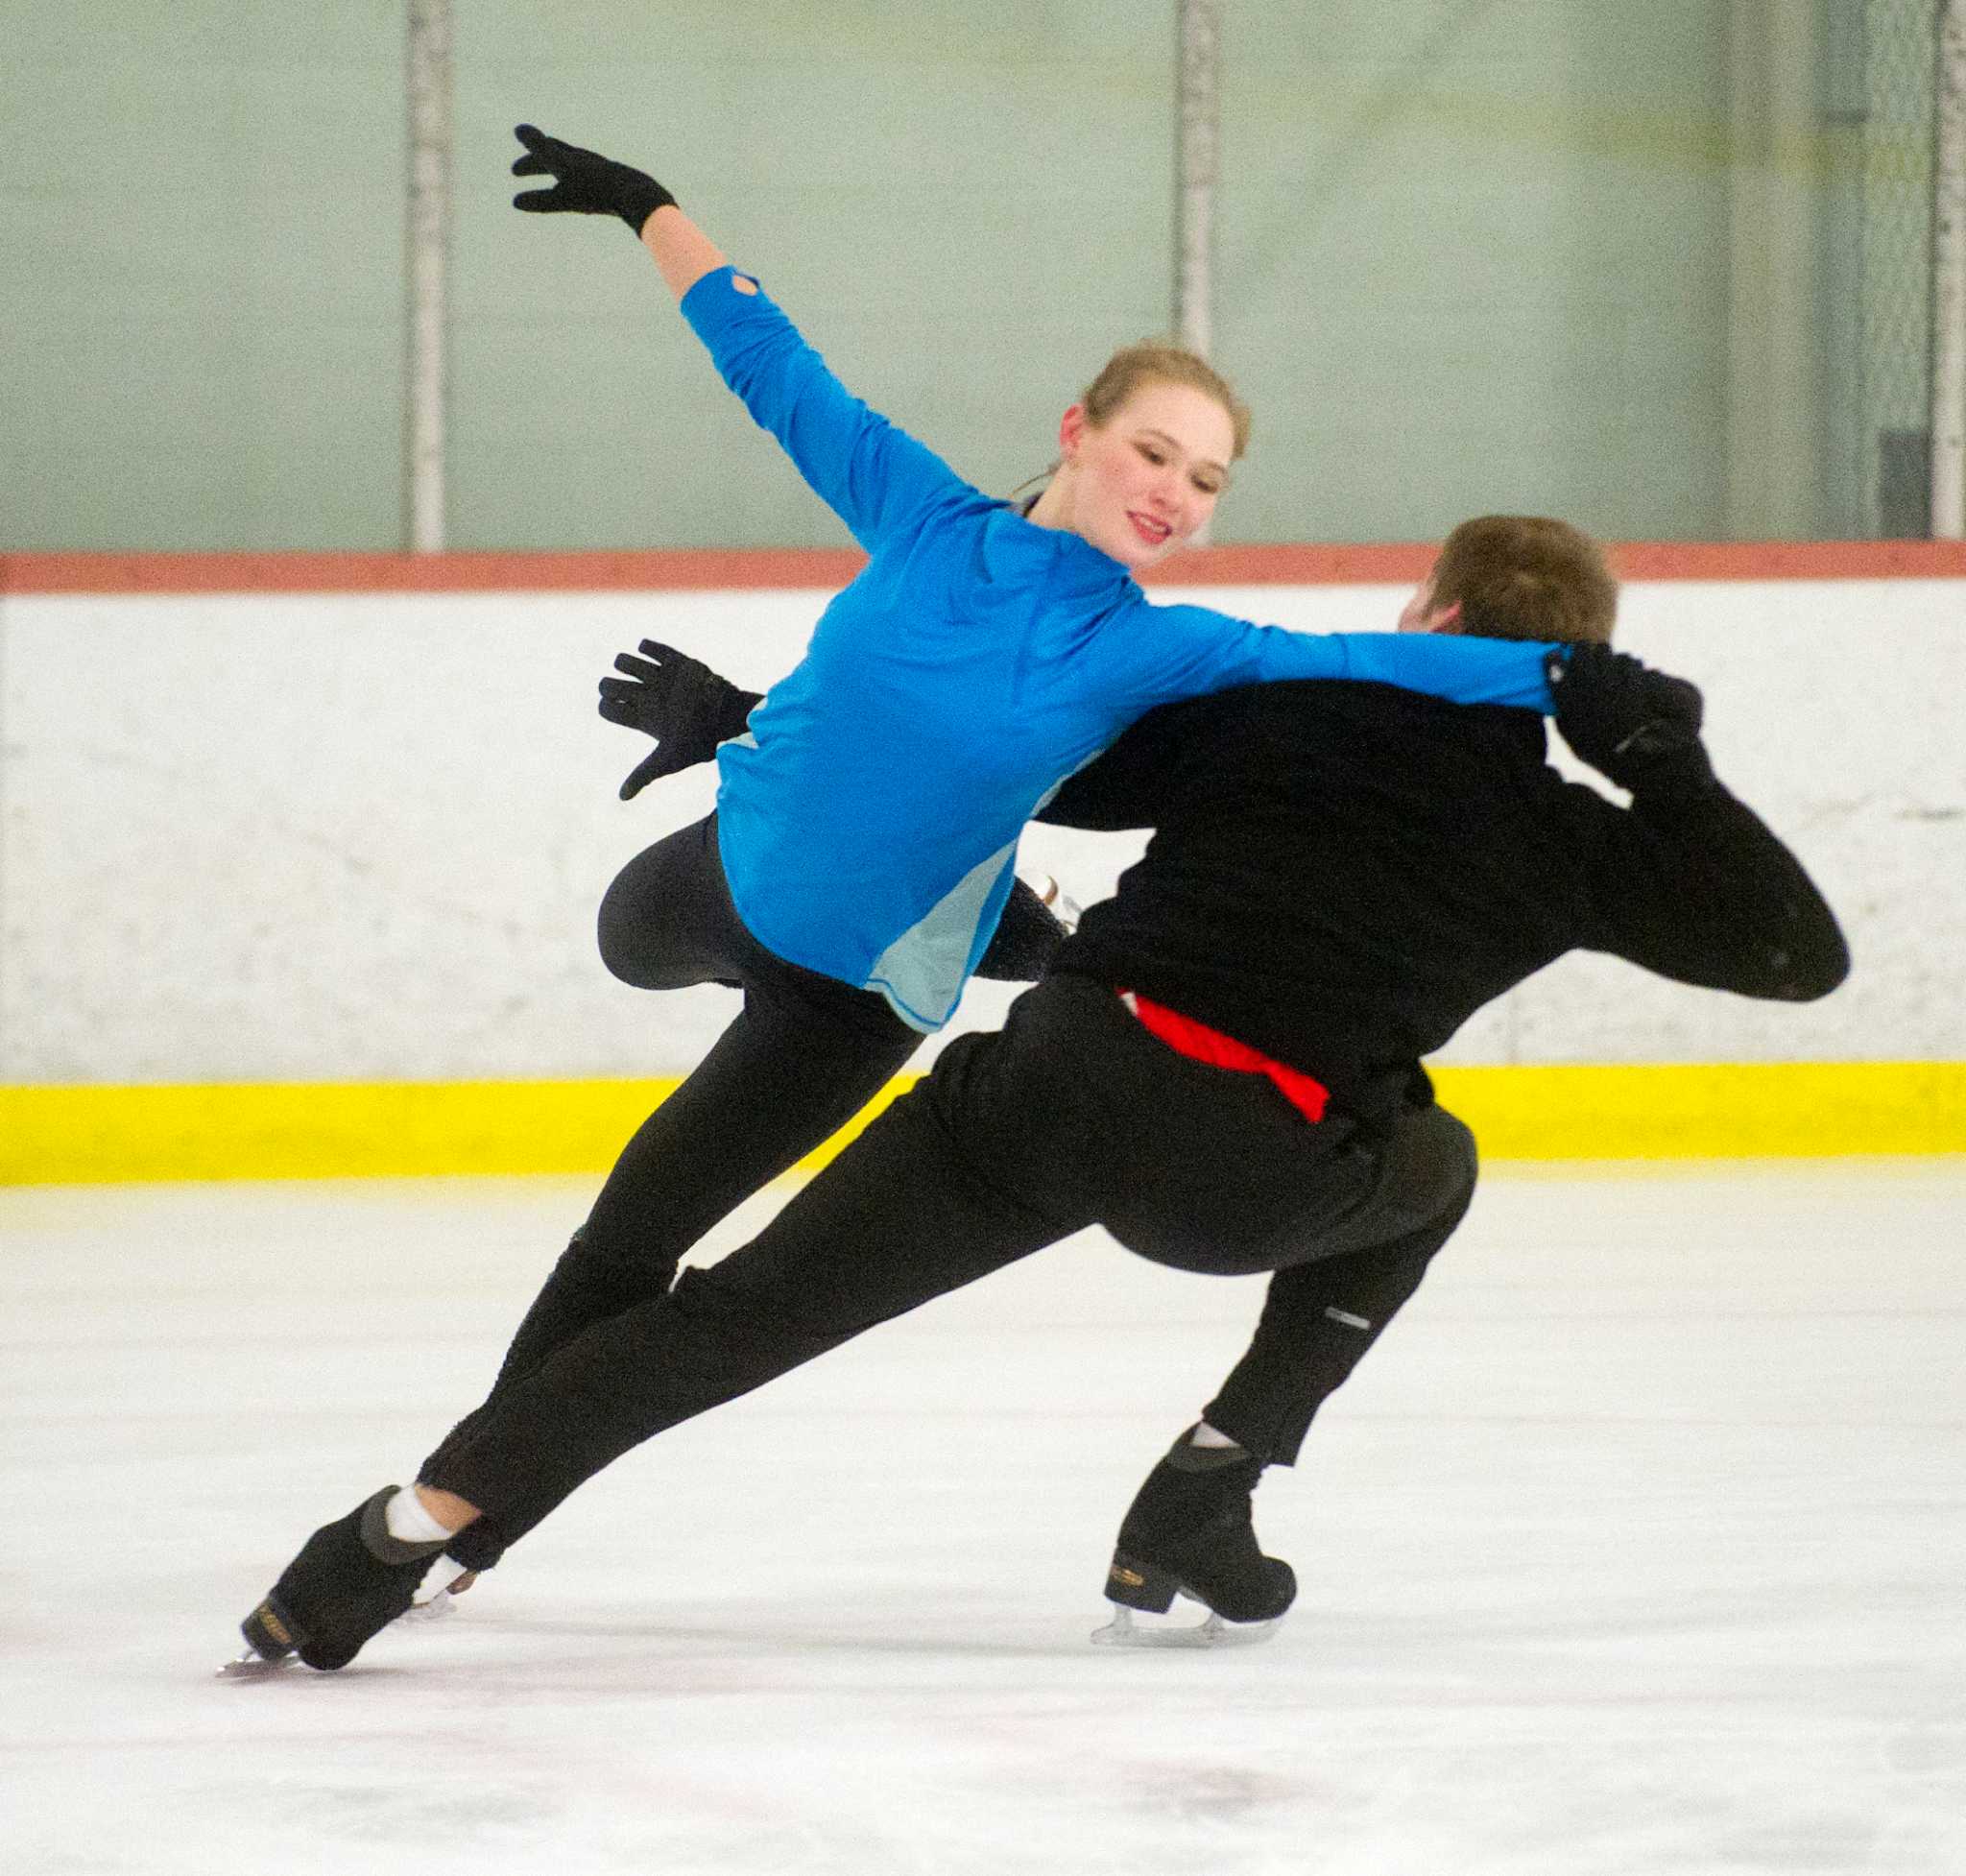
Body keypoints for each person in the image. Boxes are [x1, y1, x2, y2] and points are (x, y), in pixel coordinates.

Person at [232, 516, 1848, 1671]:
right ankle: (1208, 1490)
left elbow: (1001, 761)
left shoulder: (1275, 707)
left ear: (1422, 613)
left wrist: (755, 726)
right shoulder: (1571, 839)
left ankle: (379, 1545)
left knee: (731, 1318)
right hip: (1246, 1171)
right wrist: (1666, 768)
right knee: (1438, 1165)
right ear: (1574, 667)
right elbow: (1800, 958)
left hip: (1059, 1072)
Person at [404, 123, 1575, 1501]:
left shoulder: (1159, 646)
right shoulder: (924, 512)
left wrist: (1578, 675)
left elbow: (1350, 661)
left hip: (845, 1000)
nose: (1173, 493)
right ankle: (1002, 917)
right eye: (1154, 450)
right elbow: (775, 369)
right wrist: (649, 207)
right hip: (728, 865)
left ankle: (460, 1501)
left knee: (632, 1234)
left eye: (1205, 481)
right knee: (623, 935)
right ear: (1078, 432)